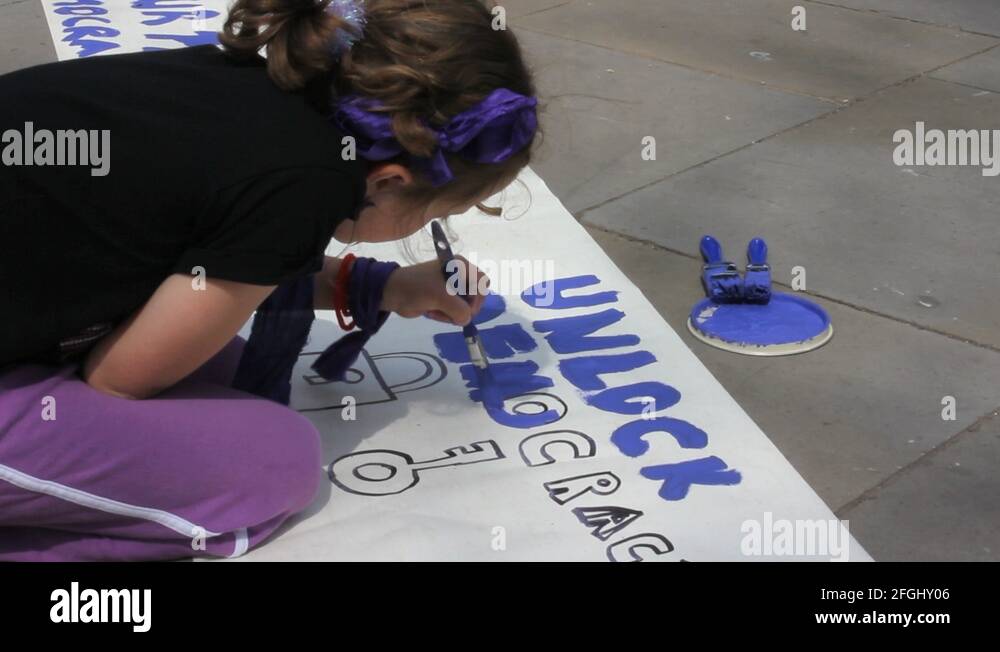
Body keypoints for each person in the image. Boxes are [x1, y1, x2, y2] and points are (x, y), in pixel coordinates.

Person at [0, 0, 538, 560]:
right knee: (275, 462)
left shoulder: (233, 84)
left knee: (220, 381)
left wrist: (386, 288)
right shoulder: (303, 184)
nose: (430, 228)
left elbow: (223, 256)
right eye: (433, 215)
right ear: (390, 180)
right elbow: (119, 379)